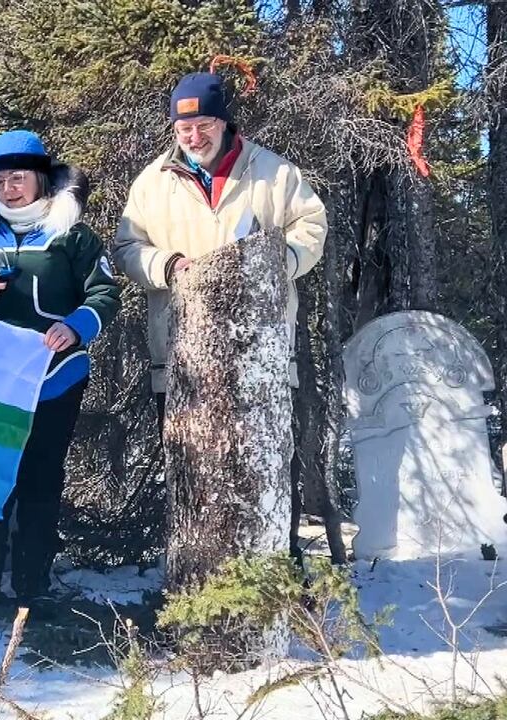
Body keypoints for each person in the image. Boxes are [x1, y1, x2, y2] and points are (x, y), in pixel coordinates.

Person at [111, 72, 327, 554]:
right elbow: (128, 245)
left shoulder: (273, 172)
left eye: (204, 124)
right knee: (194, 472)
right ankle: (198, 579)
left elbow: (311, 227)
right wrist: (167, 267)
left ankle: (276, 577)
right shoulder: (152, 182)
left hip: (259, 350)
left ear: (225, 122)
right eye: (183, 128)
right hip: (183, 354)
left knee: (267, 469)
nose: (194, 137)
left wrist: (277, 264)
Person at [0, 130, 121, 628]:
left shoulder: (73, 235)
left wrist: (75, 325)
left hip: (55, 377)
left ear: (41, 178)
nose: (9, 189)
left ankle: (33, 590)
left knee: (40, 483)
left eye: (18, 178)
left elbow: (105, 294)